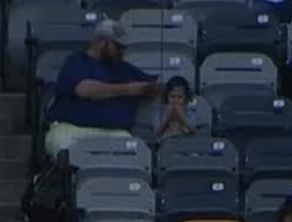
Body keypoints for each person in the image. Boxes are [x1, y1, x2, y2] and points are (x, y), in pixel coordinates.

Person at [43, 19, 157, 160]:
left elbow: (151, 86)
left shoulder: (123, 68)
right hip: (72, 130)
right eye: (117, 47)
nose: (122, 51)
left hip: (115, 133)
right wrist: (128, 89)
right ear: (102, 42)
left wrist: (148, 90)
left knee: (134, 152)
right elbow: (84, 90)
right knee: (65, 149)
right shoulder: (77, 61)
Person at [152, 75, 200, 141]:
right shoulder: (160, 111)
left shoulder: (190, 111)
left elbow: (195, 131)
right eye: (172, 96)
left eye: (180, 97)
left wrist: (182, 116)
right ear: (167, 96)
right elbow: (156, 133)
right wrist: (167, 117)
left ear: (186, 98)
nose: (176, 100)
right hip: (165, 143)